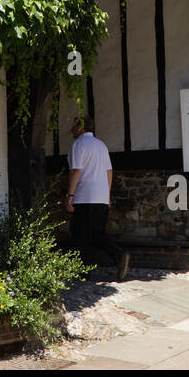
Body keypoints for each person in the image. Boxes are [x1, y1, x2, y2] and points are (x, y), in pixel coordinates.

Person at [65, 115, 130, 281]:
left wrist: (70, 195)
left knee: (80, 235)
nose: (71, 129)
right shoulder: (101, 145)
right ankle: (112, 258)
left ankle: (86, 269)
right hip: (100, 196)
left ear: (80, 128)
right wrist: (107, 195)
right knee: (95, 233)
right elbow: (109, 171)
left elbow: (76, 171)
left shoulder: (78, 144)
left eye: (73, 126)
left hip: (84, 196)